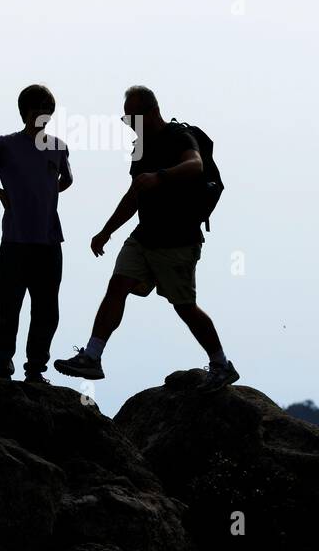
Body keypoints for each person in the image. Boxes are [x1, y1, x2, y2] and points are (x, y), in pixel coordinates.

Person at [54, 85, 238, 391]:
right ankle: (92, 356)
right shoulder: (140, 147)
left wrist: (160, 177)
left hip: (178, 239)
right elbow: (134, 194)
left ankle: (221, 364)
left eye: (134, 117)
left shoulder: (179, 137)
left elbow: (196, 165)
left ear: (152, 112)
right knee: (117, 285)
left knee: (185, 306)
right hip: (144, 235)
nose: (130, 124)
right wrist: (107, 230)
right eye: (127, 119)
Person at [0, 84, 72, 383]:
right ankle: (3, 367)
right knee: (9, 307)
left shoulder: (58, 147)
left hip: (49, 240)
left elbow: (67, 179)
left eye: (48, 109)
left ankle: (35, 369)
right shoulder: (5, 145)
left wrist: (45, 195)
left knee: (47, 311)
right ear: (25, 112)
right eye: (38, 109)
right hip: (15, 241)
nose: (43, 115)